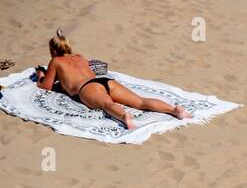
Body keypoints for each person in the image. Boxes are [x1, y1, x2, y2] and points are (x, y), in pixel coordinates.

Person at [35, 30, 190, 129]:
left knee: (108, 105)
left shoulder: (56, 61)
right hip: (105, 81)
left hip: (87, 88)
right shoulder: (79, 57)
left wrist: (41, 75)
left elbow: (46, 86)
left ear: (53, 51)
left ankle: (124, 117)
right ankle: (174, 110)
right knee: (140, 101)